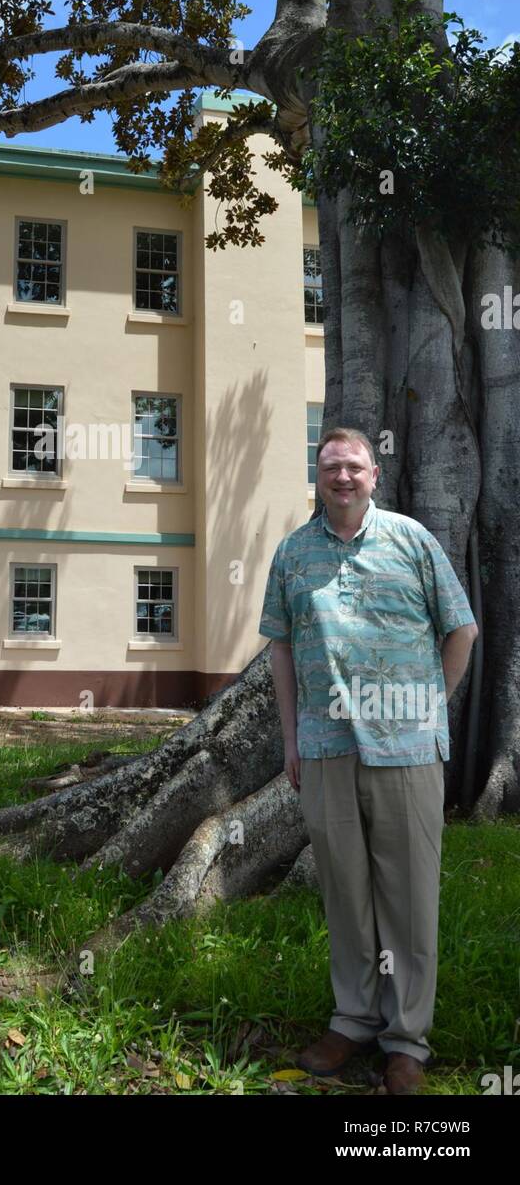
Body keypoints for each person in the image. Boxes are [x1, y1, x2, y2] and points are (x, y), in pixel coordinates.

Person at [259, 426, 478, 1095]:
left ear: (374, 475)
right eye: (331, 468)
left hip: (408, 750)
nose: (343, 478)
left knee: (408, 893)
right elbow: (282, 650)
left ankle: (406, 1039)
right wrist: (291, 739)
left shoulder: (413, 541)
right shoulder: (293, 555)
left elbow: (461, 628)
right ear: (317, 477)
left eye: (354, 467)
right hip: (325, 750)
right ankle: (352, 1018)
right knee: (346, 891)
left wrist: (429, 708)